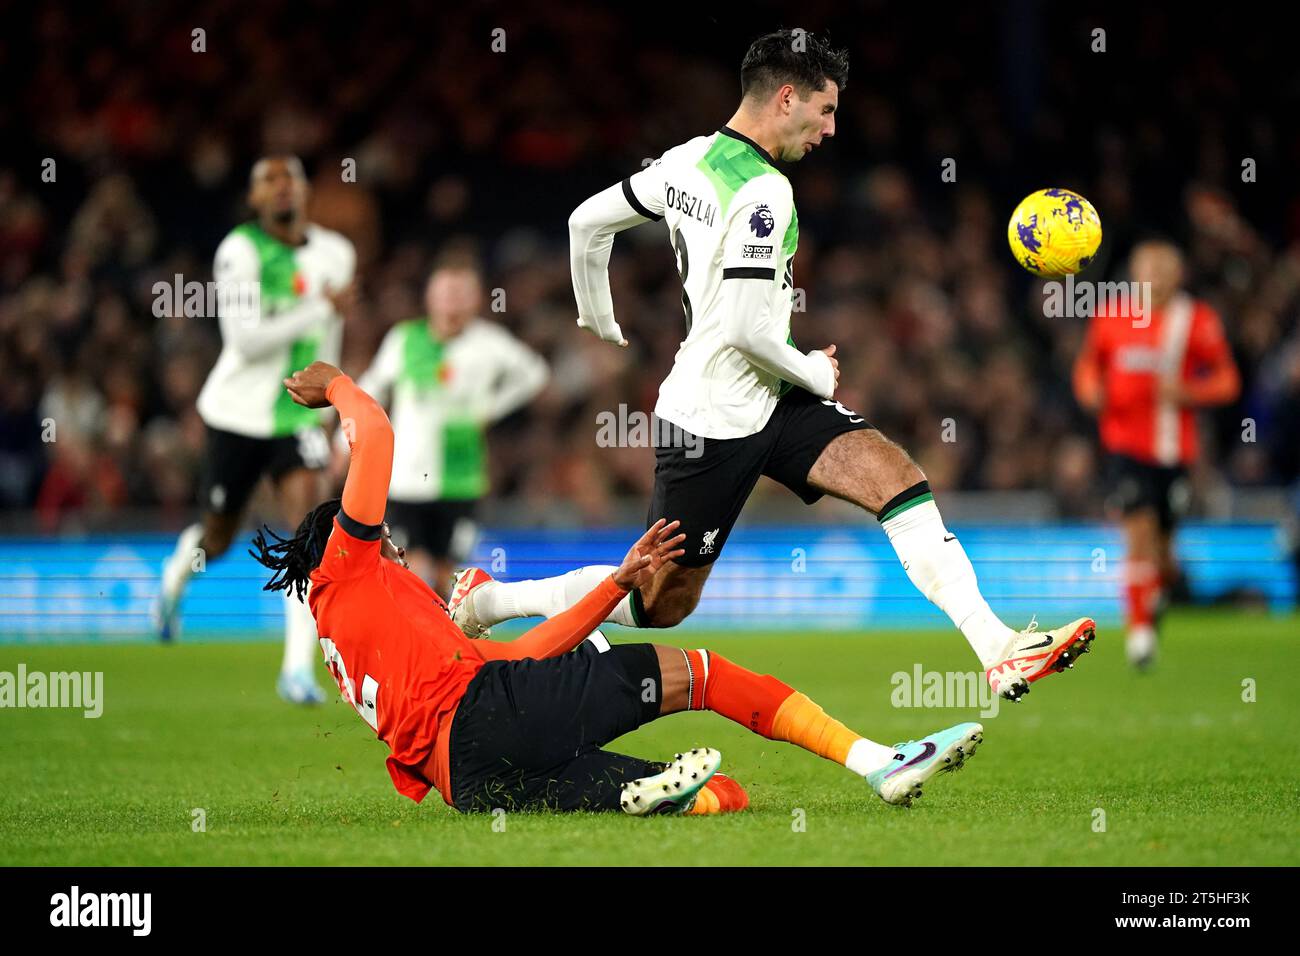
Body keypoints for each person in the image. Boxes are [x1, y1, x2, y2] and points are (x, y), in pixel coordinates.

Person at [450, 29, 1094, 702]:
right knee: (658, 605)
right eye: (825, 110)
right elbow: (742, 329)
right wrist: (814, 369)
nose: (831, 128)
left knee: (898, 479)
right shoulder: (765, 191)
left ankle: (999, 648)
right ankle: (493, 601)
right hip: (710, 418)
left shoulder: (686, 160)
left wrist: (597, 314)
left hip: (771, 400)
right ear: (786, 98)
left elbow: (587, 223)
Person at [251, 360, 986, 814]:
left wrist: (614, 588)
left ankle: (643, 795)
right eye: (390, 546)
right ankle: (877, 761)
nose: (399, 555)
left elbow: (522, 660)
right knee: (699, 673)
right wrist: (338, 386)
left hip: (473, 781)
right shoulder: (347, 568)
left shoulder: (352, 642)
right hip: (492, 719)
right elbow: (373, 433)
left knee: (725, 797)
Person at [153, 155, 357, 705]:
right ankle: (175, 579)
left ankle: (295, 671)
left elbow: (330, 340)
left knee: (308, 535)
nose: (281, 187)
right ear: (255, 200)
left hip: (297, 415)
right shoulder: (238, 251)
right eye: (268, 179)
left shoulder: (338, 253)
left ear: (306, 191)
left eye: (290, 176)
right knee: (216, 537)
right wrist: (317, 305)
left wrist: (332, 412)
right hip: (237, 414)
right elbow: (245, 341)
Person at [1073, 239, 1240, 668]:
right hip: (1125, 447)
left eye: (1164, 267)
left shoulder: (1196, 320)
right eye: (1148, 267)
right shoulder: (1111, 317)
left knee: (1164, 552)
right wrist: (1093, 392)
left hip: (1175, 451)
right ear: (1135, 272)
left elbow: (1227, 380)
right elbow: (1089, 367)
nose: (1156, 275)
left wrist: (1189, 391)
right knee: (1138, 532)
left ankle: (1159, 593)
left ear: (1178, 274)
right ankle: (1140, 633)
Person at [346, 256, 548, 596]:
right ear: (430, 298)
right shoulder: (405, 339)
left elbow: (535, 373)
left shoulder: (490, 342)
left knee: (445, 575)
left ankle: (439, 644)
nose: (452, 302)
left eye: (461, 294)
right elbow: (371, 388)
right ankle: (416, 640)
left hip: (461, 476)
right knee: (414, 567)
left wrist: (491, 408)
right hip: (407, 478)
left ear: (476, 299)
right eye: (446, 293)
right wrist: (344, 442)